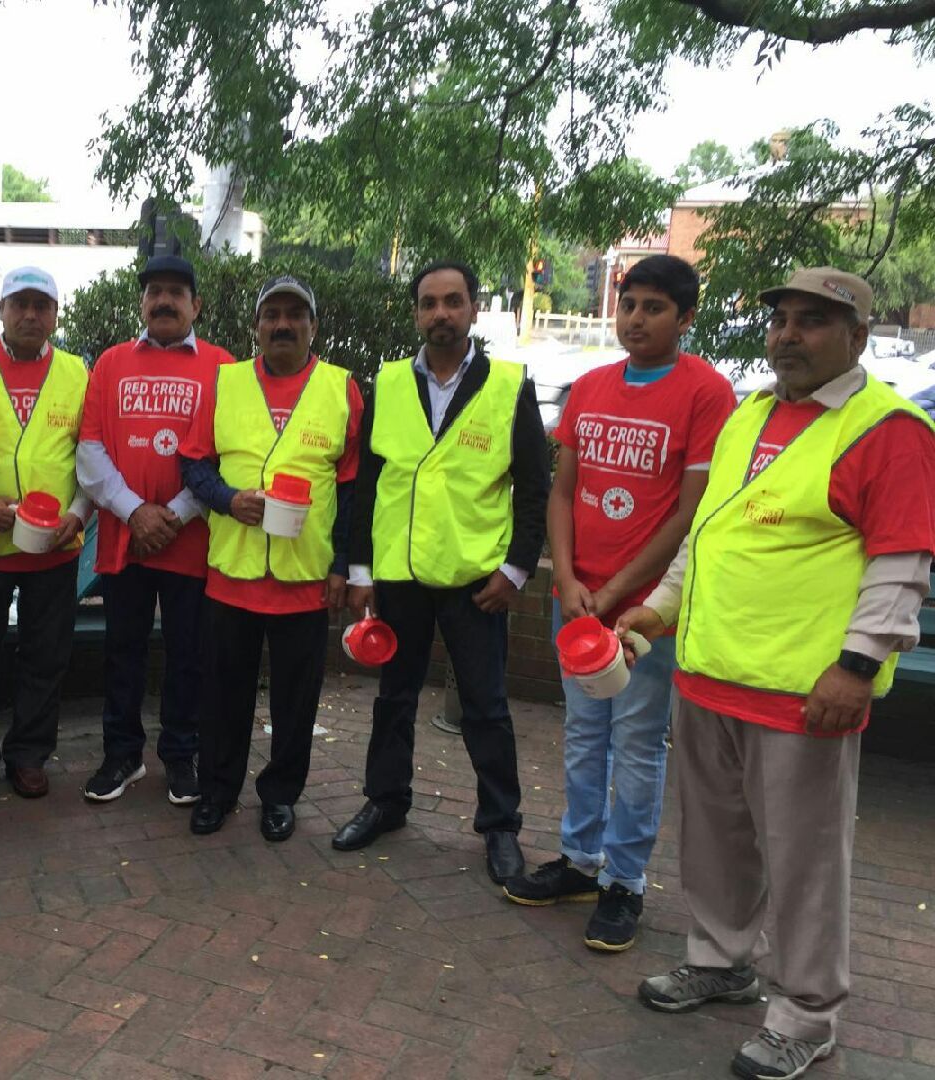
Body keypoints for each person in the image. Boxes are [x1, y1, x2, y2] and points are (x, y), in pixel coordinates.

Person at [617, 268, 935, 1080]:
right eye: (782, 320)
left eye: (814, 323)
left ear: (858, 337)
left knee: (805, 859)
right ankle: (721, 960)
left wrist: (858, 667)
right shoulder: (752, 415)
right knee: (716, 842)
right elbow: (709, 534)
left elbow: (901, 563)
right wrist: (659, 609)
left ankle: (807, 1011)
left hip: (805, 694)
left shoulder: (884, 428)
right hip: (711, 674)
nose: (789, 335)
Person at [501, 255, 735, 951]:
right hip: (578, 603)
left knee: (636, 744)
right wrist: (568, 580)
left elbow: (688, 513)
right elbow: (563, 490)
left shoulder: (705, 393)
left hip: (644, 612)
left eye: (655, 307)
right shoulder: (593, 385)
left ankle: (625, 883)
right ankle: (579, 860)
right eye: (629, 304)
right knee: (583, 735)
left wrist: (615, 590)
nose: (636, 318)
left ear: (686, 317)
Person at [340, 261, 549, 885]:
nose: (441, 314)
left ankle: (501, 826)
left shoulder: (508, 385)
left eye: (452, 302)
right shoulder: (390, 383)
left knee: (486, 706)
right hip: (400, 575)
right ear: (416, 313)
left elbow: (534, 488)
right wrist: (359, 569)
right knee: (393, 699)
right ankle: (386, 801)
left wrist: (515, 570)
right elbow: (369, 483)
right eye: (429, 303)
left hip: (473, 579)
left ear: (474, 309)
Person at [179, 275, 364, 841]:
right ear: (256, 325)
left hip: (304, 578)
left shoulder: (343, 389)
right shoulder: (225, 382)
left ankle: (280, 795)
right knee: (222, 696)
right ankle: (216, 789)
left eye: (294, 314)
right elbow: (193, 464)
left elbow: (355, 488)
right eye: (271, 315)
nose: (282, 324)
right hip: (231, 575)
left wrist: (345, 567)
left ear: (312, 324)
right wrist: (228, 500)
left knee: (295, 701)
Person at [76, 254, 235, 804]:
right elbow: (90, 449)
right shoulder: (112, 363)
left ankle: (180, 756)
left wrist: (175, 515)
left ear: (197, 304)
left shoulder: (223, 367)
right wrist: (135, 513)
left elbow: (229, 454)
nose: (163, 300)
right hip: (127, 538)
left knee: (189, 653)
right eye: (154, 292)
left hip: (192, 543)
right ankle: (122, 756)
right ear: (141, 302)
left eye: (175, 292)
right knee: (123, 649)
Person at [0, 267, 91, 803]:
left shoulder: (79, 373)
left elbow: (91, 457)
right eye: (20, 305)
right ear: (1, 310)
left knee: (46, 657)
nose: (31, 315)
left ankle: (29, 754)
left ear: (56, 314)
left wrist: (77, 517)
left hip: (55, 550)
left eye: (42, 306)